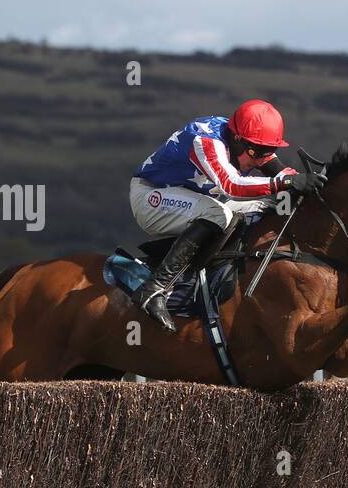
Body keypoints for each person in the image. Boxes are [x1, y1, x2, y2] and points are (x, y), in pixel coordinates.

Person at [127, 99, 325, 331]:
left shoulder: (249, 142)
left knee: (264, 208)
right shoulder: (206, 141)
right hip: (150, 197)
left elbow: (282, 174)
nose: (259, 159)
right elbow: (232, 186)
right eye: (256, 152)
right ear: (237, 138)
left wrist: (310, 184)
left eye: (269, 151)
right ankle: (155, 287)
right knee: (219, 214)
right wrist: (287, 182)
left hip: (192, 196)